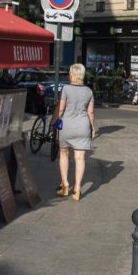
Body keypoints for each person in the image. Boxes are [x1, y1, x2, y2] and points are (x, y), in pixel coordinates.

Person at [55, 63, 96, 202]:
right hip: (82, 127)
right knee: (80, 158)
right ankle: (77, 189)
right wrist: (92, 127)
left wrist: (57, 121)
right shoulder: (89, 91)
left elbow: (61, 109)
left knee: (64, 154)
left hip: (67, 126)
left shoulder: (66, 88)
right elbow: (90, 112)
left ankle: (65, 185)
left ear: (71, 74)